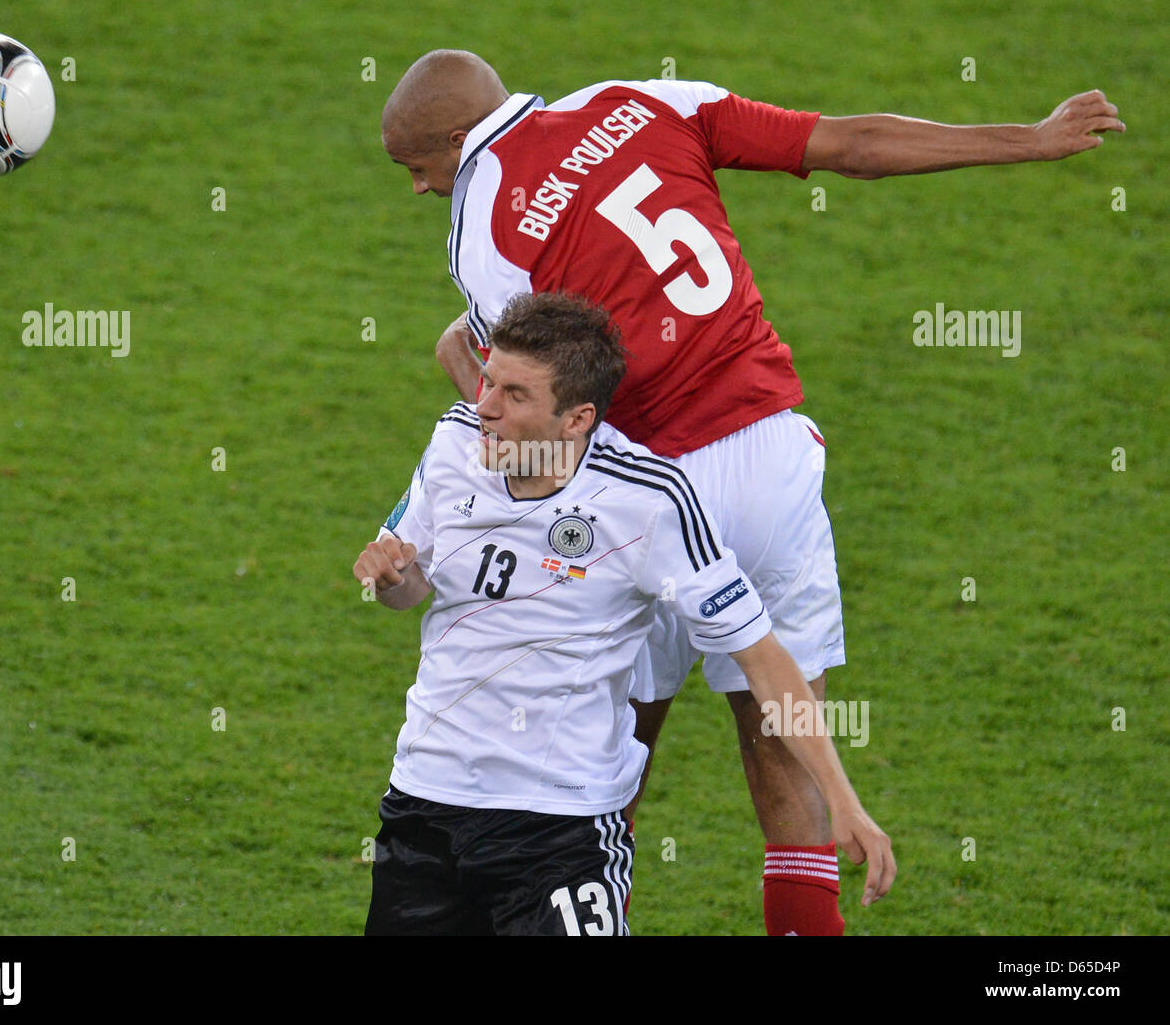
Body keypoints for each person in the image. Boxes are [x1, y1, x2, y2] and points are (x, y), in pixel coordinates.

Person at [379, 50, 1123, 934]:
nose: (420, 188)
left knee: (602, 755)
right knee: (776, 729)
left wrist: (460, 384)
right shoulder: (643, 101)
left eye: (418, 166)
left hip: (650, 486)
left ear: (460, 141)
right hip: (773, 457)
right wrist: (1031, 140)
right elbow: (852, 144)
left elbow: (533, 406)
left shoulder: (483, 227)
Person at [354, 292, 893, 935]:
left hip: (559, 831)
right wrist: (392, 576)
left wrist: (840, 794)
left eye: (514, 395)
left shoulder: (648, 502)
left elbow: (762, 657)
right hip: (424, 804)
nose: (485, 407)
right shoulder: (453, 444)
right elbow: (413, 587)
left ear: (578, 417)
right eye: (488, 380)